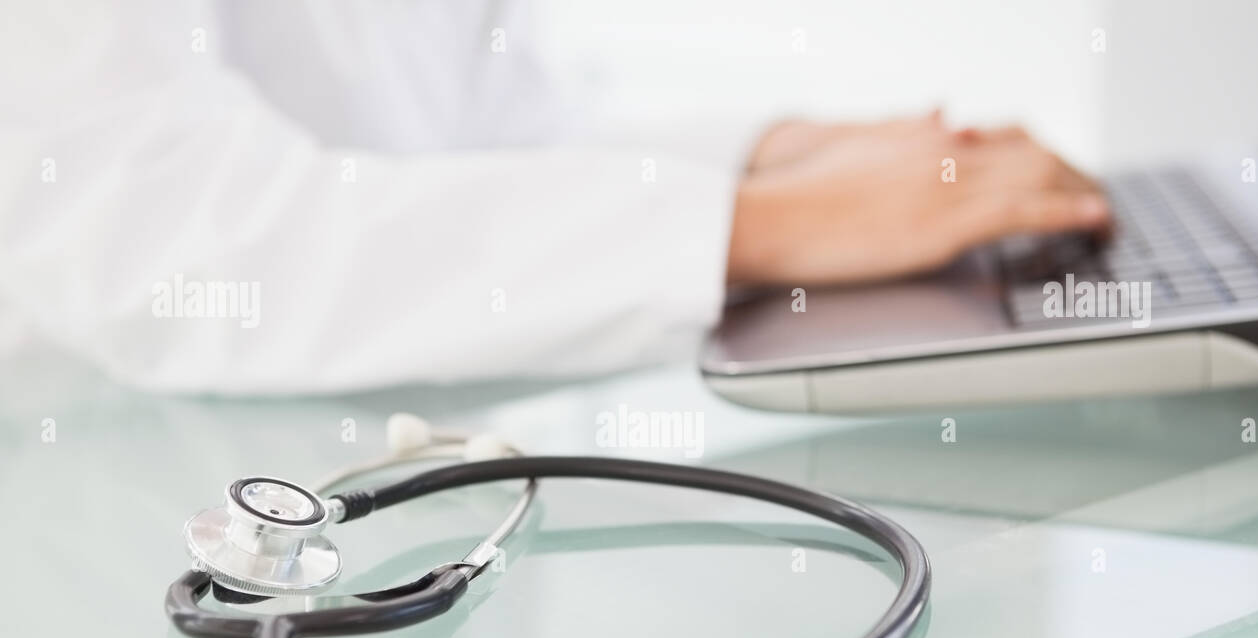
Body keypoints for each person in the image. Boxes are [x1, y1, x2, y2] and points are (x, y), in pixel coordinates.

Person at [0, 1, 1111, 394]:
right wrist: (761, 226)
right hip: (125, 506)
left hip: (376, 500)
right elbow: (175, 241)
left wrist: (776, 150)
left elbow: (497, 136)